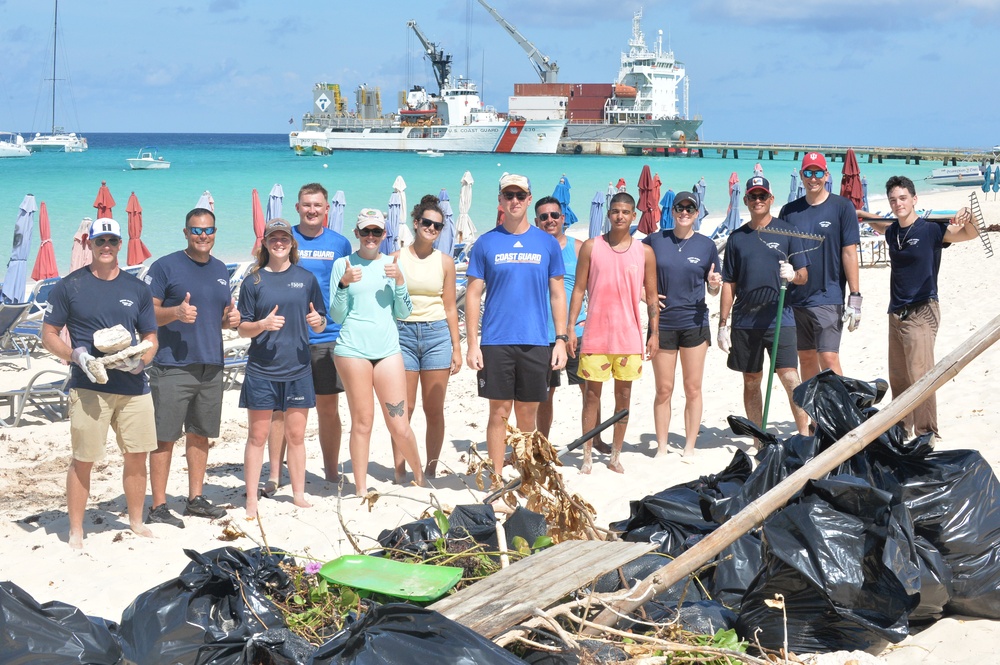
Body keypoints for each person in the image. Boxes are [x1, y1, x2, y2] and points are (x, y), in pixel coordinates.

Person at [40, 218, 158, 549]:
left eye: (112, 241)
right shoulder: (69, 286)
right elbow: (48, 334)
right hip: (89, 386)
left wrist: (142, 361)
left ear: (121, 244)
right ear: (89, 245)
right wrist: (75, 356)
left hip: (135, 388)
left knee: (137, 456)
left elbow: (150, 336)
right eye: (99, 241)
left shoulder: (138, 289)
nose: (106, 246)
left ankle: (135, 520)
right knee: (84, 458)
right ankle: (76, 530)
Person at [465, 174, 568, 481]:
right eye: (508, 195)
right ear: (500, 200)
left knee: (527, 414)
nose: (514, 201)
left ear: (528, 199)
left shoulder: (547, 243)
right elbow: (472, 294)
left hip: (536, 340)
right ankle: (496, 477)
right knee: (498, 413)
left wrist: (560, 339)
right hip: (496, 341)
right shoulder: (486, 243)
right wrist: (473, 343)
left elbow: (558, 293)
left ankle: (528, 476)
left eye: (520, 196)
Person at [144, 208, 240, 528]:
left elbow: (222, 316)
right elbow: (147, 315)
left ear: (215, 232)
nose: (203, 236)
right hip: (172, 366)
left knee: (200, 435)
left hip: (211, 364)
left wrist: (231, 320)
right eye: (196, 231)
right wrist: (176, 313)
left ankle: (195, 499)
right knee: (165, 437)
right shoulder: (165, 266)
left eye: (208, 230)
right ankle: (158, 505)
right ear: (185, 232)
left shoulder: (220, 269)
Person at [864, 175, 978, 437]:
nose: (898, 203)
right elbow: (882, 227)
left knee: (922, 376)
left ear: (914, 199)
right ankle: (902, 429)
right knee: (900, 377)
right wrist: (860, 212)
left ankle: (926, 433)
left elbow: (970, 234)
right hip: (896, 313)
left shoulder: (930, 229)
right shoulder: (893, 231)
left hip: (922, 310)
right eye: (893, 200)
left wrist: (968, 216)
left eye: (903, 198)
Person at [262, 184, 352, 497]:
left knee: (328, 408)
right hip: (286, 338)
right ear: (297, 208)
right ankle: (274, 473)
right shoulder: (284, 239)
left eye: (317, 205)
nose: (312, 210)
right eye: (306, 205)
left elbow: (347, 290)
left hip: (328, 337)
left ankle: (329, 470)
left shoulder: (340, 243)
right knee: (280, 410)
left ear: (327, 209)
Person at [330, 208, 426, 495]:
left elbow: (405, 311)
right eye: (365, 231)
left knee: (399, 424)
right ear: (356, 233)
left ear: (385, 235)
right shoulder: (343, 264)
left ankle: (419, 478)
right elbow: (336, 315)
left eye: (376, 232)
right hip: (352, 350)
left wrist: (398, 282)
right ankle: (360, 488)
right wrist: (344, 284)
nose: (371, 237)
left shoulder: (392, 264)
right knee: (362, 422)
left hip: (387, 351)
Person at [237, 218, 326, 518]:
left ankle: (298, 494)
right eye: (273, 238)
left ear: (292, 243)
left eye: (284, 238)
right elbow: (242, 329)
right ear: (265, 243)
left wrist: (319, 322)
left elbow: (320, 317)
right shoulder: (253, 282)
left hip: (298, 367)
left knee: (297, 436)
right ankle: (251, 500)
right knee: (257, 436)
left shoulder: (306, 278)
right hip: (262, 369)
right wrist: (262, 325)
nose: (279, 242)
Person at [567, 191, 658, 474]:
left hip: (629, 337)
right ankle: (586, 454)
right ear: (609, 214)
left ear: (634, 216)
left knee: (624, 398)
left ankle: (615, 455)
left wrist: (654, 333)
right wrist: (570, 328)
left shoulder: (644, 252)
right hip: (595, 335)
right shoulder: (592, 247)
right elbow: (579, 289)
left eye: (625, 212)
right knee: (591, 398)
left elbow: (652, 296)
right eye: (615, 211)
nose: (620, 216)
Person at [718, 177, 811, 438]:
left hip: (781, 317)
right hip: (746, 321)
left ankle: (804, 434)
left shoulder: (788, 232)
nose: (757, 201)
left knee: (790, 378)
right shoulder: (737, 238)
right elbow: (729, 283)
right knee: (751, 380)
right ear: (746, 201)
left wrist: (793, 275)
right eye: (752, 197)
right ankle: (759, 438)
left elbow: (804, 275)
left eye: (762, 196)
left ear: (771, 199)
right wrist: (722, 324)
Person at [642, 190, 722, 457]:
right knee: (664, 389)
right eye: (680, 208)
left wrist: (713, 286)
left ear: (697, 213)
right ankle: (662, 447)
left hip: (694, 324)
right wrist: (644, 295)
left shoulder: (707, 245)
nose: (684, 212)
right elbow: (630, 270)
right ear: (672, 211)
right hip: (662, 324)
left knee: (692, 387)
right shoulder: (655, 240)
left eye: (690, 208)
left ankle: (689, 446)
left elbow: (713, 288)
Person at [390, 194, 461, 480]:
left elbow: (450, 307)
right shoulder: (396, 259)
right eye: (427, 223)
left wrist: (457, 347)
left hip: (436, 336)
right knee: (403, 408)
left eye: (438, 226)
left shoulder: (445, 262)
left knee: (434, 409)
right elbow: (386, 304)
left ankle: (430, 466)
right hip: (402, 334)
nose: (431, 228)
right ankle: (400, 467)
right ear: (416, 223)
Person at [778, 152, 861, 381]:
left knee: (829, 358)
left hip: (828, 294)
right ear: (802, 176)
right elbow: (781, 253)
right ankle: (816, 416)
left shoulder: (842, 207)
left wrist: (855, 298)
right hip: (795, 296)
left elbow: (849, 253)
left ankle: (840, 414)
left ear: (826, 175)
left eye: (817, 173)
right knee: (805, 358)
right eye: (807, 172)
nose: (812, 178)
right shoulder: (788, 211)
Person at [532, 195, 606, 450]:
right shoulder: (533, 249)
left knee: (589, 389)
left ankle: (595, 438)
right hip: (543, 334)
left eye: (554, 215)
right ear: (536, 221)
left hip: (576, 331)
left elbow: (597, 286)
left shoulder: (578, 247)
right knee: (544, 394)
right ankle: (542, 444)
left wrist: (592, 320)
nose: (550, 220)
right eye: (544, 217)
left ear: (563, 218)